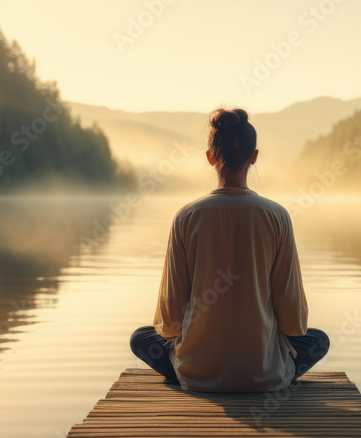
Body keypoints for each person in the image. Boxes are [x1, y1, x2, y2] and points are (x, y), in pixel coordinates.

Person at [129, 107, 329, 392]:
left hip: (199, 372)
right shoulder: (277, 216)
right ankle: (262, 373)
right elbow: (293, 323)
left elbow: (170, 323)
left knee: (140, 338)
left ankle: (197, 373)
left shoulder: (187, 217)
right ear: (254, 156)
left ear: (210, 157)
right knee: (318, 340)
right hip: (262, 373)